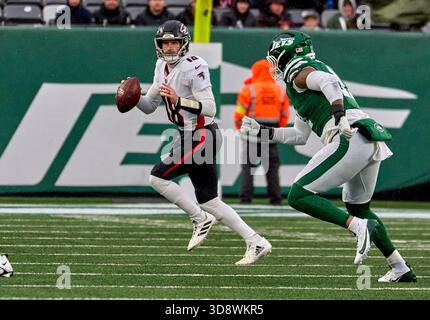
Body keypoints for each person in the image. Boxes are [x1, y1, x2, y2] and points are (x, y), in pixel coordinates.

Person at [241, 30, 417, 282]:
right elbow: (299, 135)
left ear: (287, 55)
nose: (274, 65)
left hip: (349, 136)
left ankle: (357, 227)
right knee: (359, 207)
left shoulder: (298, 69)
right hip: (366, 137)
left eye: (276, 58)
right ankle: (400, 267)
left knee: (299, 195)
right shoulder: (302, 82)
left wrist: (338, 115)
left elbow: (327, 82)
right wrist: (263, 132)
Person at [119, 20, 272, 265]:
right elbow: (149, 107)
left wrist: (180, 100)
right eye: (165, 43)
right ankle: (256, 241)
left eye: (173, 42)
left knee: (157, 177)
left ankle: (200, 219)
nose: (169, 48)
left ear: (183, 43)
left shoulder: (194, 66)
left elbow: (211, 107)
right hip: (188, 135)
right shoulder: (161, 66)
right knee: (210, 201)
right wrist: (133, 96)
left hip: (202, 134)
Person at [234, 59, 290, 205]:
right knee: (272, 169)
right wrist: (277, 130)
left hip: (251, 135)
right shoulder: (280, 91)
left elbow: (240, 113)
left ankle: (245, 199)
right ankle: (276, 199)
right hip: (270, 135)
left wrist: (239, 127)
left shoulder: (249, 89)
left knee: (248, 168)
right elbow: (285, 114)